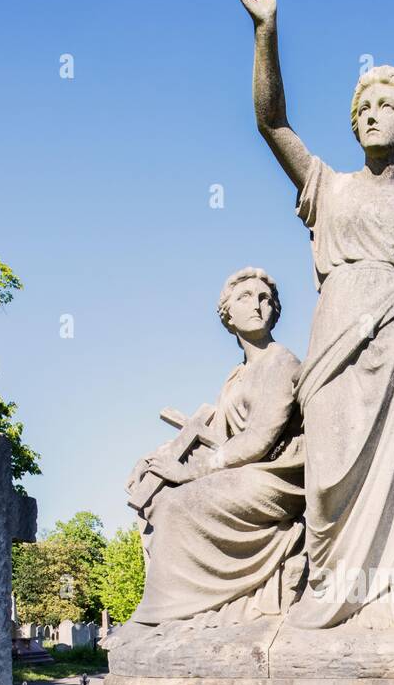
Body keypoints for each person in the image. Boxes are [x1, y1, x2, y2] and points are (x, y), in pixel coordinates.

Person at [238, 0, 394, 627]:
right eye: (361, 108)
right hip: (337, 334)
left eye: (384, 107)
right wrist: (266, 30)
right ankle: (328, 588)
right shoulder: (327, 186)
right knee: (330, 470)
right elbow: (270, 120)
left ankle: (392, 592)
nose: (371, 114)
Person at [124, 267, 305, 627]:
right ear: (228, 315)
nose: (257, 305)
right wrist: (160, 458)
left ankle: (167, 615)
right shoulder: (236, 376)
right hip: (244, 468)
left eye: (265, 299)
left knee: (178, 504)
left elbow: (258, 440)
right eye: (245, 297)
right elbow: (213, 437)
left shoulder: (281, 361)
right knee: (162, 499)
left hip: (277, 474)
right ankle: (192, 607)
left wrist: (191, 474)